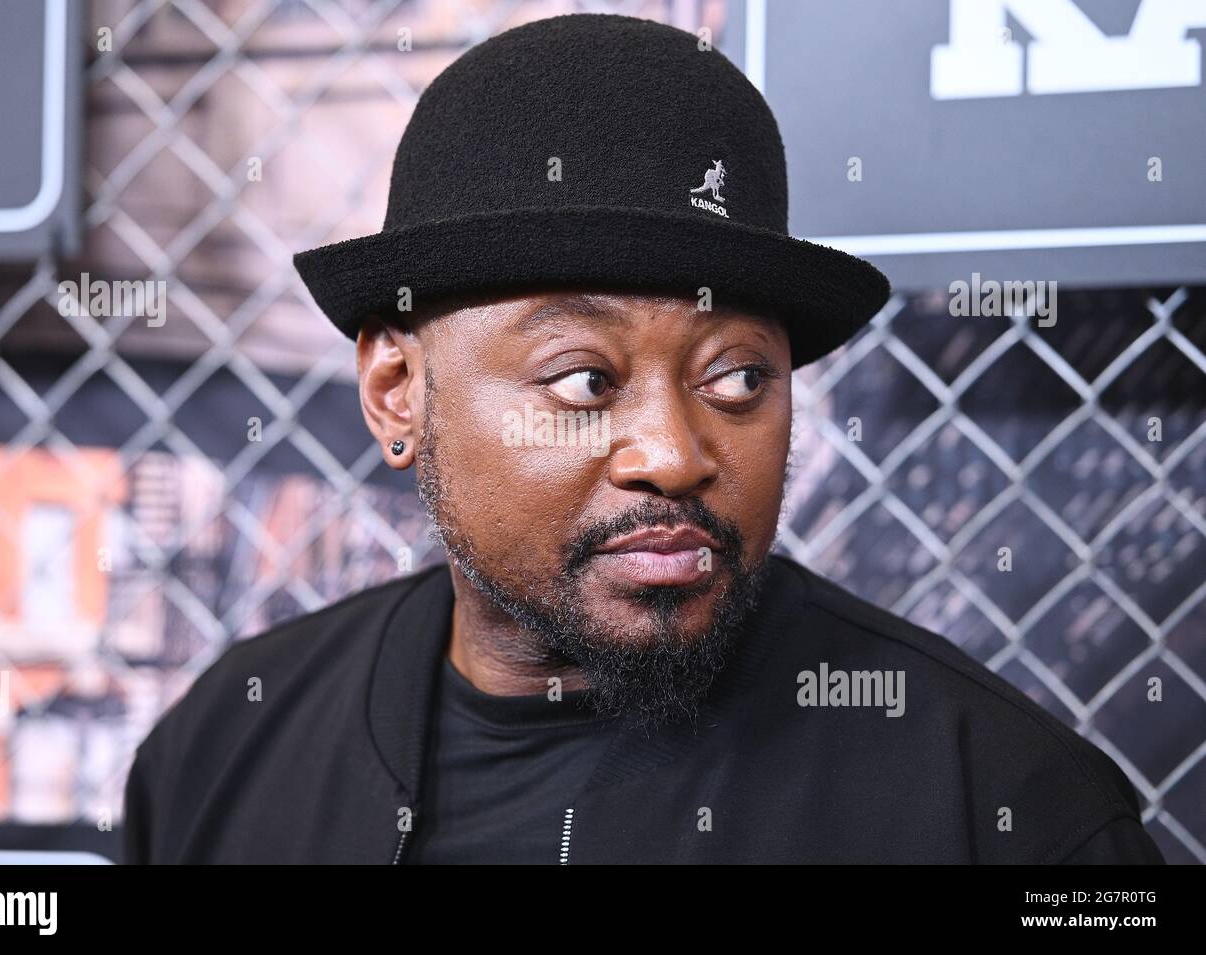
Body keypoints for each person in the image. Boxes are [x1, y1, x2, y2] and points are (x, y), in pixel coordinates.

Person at [123, 13, 1164, 864]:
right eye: (583, 379)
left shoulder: (1005, 812)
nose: (672, 453)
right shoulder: (226, 749)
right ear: (399, 391)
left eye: (738, 377)